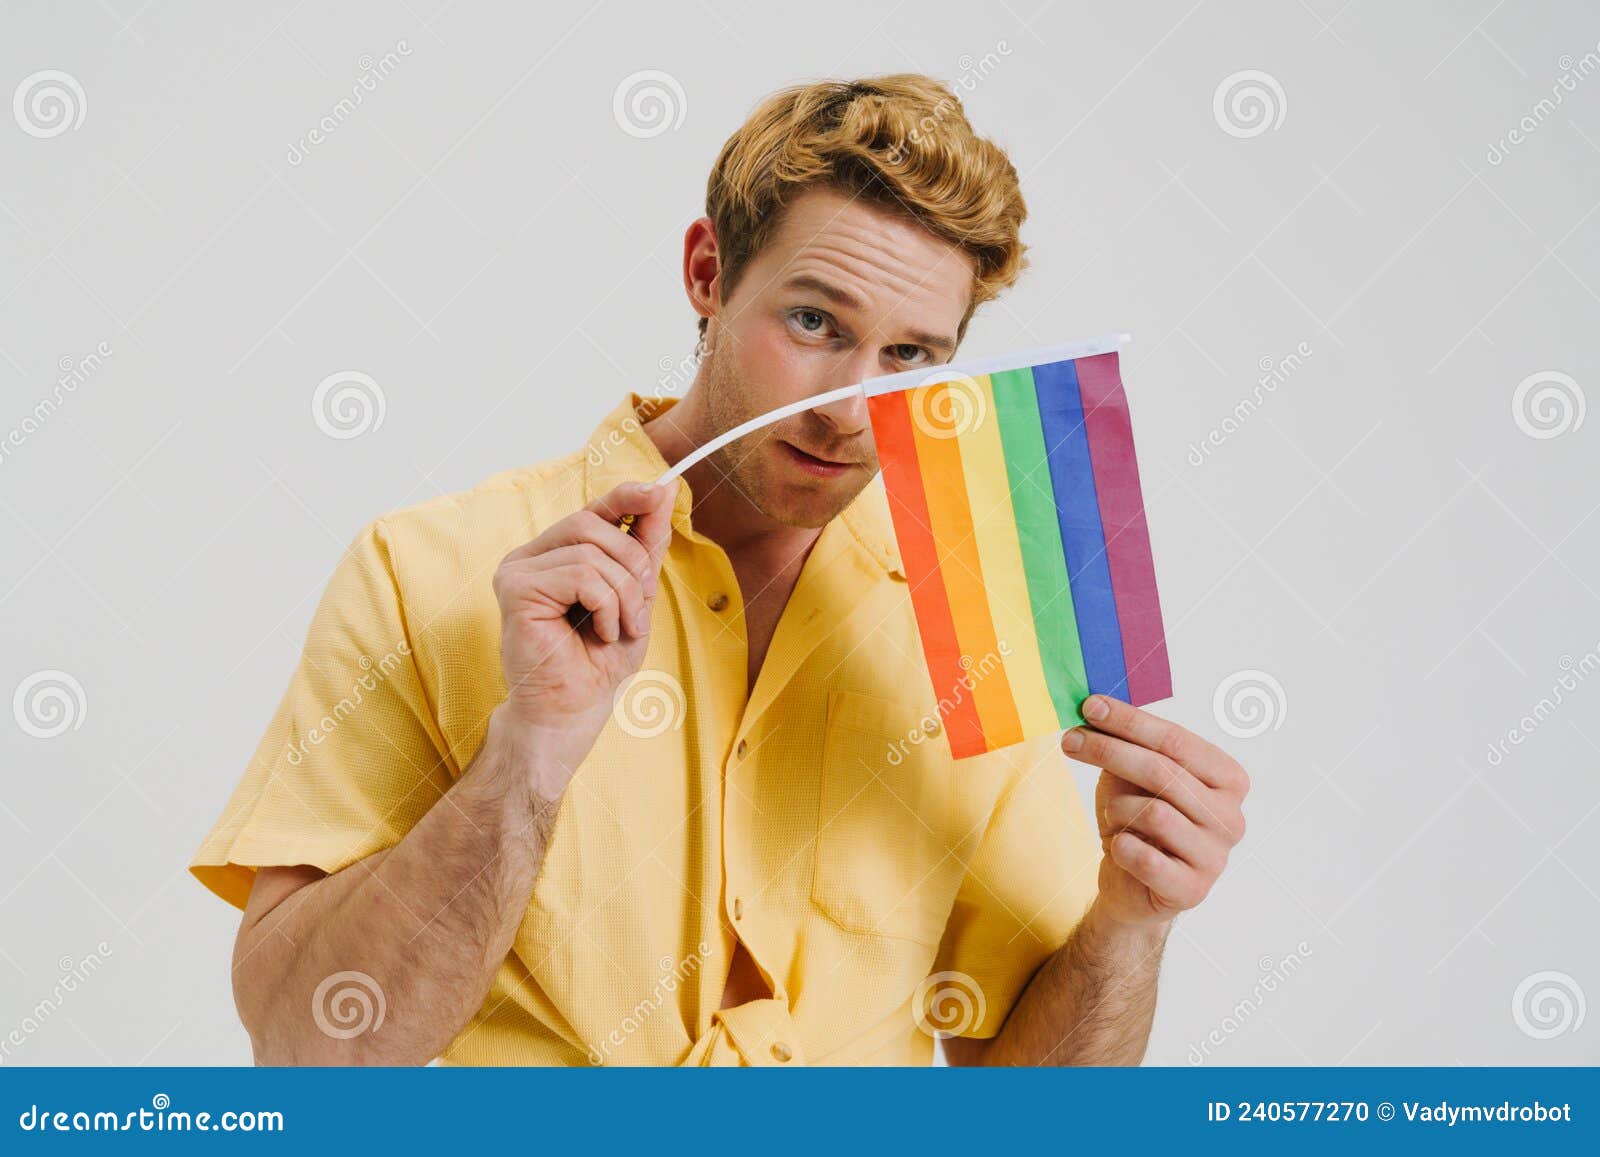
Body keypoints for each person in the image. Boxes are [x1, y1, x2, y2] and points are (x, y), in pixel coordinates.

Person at [191, 73, 1250, 1066]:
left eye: (908, 356)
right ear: (707, 273)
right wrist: (528, 755)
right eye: (813, 321)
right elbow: (310, 1050)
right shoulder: (428, 569)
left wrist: (1131, 918)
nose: (847, 407)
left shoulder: (974, 604)